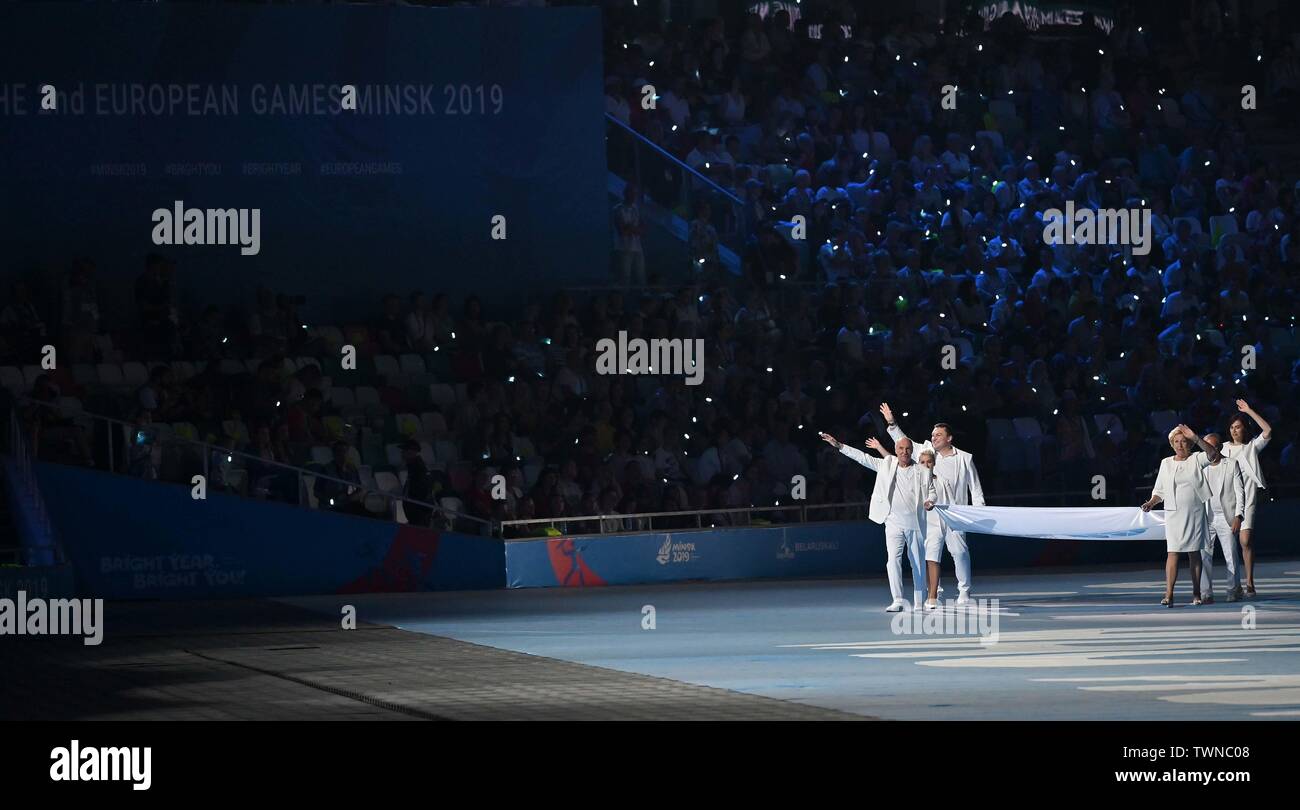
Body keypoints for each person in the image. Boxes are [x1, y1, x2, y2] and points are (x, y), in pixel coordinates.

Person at [880, 403, 985, 604]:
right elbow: (903, 441)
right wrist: (892, 423)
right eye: (933, 434)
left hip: (955, 513)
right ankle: (934, 593)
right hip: (931, 514)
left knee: (960, 552)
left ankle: (964, 591)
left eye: (938, 435)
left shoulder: (964, 458)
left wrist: (977, 512)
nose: (934, 437)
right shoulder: (926, 452)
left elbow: (975, 488)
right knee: (931, 553)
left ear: (949, 438)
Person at [819, 430, 933, 612]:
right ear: (896, 450)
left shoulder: (922, 471)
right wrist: (839, 446)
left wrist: (930, 501)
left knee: (917, 562)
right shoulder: (886, 464)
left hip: (915, 523)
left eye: (908, 449)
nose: (904, 452)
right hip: (893, 522)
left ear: (912, 451)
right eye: (901, 448)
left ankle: (920, 601)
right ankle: (897, 600)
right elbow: (863, 457)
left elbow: (932, 491)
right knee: (892, 561)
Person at [1142, 425, 1214, 607]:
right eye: (1176, 442)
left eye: (1183, 441)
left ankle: (1197, 593)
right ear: (1171, 444)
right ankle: (1169, 594)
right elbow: (1159, 491)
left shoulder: (1196, 459)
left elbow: (1213, 455)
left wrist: (1197, 438)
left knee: (1194, 553)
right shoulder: (1166, 463)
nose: (1180, 445)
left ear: (1189, 444)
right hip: (1173, 514)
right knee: (1172, 552)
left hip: (1195, 512)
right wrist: (1151, 503)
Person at [1221, 400, 1273, 597]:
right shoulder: (1223, 448)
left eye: (1239, 427)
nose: (1235, 431)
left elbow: (1267, 430)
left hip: (1248, 499)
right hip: (1228, 500)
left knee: (1245, 540)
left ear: (1244, 429)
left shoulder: (1251, 447)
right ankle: (1235, 586)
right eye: (1232, 428)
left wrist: (1249, 411)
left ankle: (1249, 582)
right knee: (1230, 544)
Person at [1196, 433, 1245, 603]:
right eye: (1205, 447)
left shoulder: (1231, 464)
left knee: (1230, 554)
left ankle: (1233, 590)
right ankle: (1205, 593)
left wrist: (1239, 516)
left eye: (1211, 447)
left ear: (1219, 448)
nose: (1208, 450)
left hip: (1226, 517)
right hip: (1206, 518)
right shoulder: (1200, 465)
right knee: (1204, 556)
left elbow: (1240, 493)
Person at [401, 440, 434, 528]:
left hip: (418, 515)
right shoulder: (413, 468)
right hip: (415, 515)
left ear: (411, 452)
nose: (402, 453)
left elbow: (421, 492)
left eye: (404, 450)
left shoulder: (418, 469)